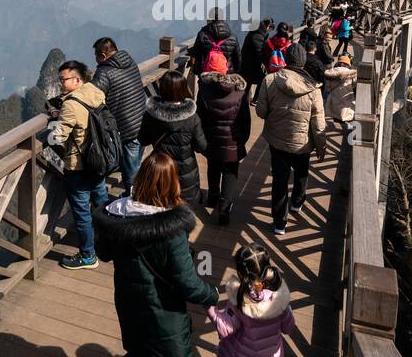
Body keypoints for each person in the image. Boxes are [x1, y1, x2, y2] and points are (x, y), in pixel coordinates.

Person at [94, 151, 218, 357]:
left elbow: (102, 252)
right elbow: (187, 283)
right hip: (163, 313)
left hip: (128, 302)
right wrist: (211, 294)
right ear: (171, 184)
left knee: (135, 354)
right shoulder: (171, 230)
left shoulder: (117, 214)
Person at [255, 44, 326, 236]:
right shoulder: (313, 88)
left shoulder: (270, 80)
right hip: (302, 143)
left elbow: (260, 111)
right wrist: (321, 146)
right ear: (303, 62)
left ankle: (280, 223)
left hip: (277, 140)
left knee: (279, 180)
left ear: (286, 60)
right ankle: (297, 203)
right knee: (302, 173)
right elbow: (318, 123)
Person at [49, 60, 107, 271]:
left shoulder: (71, 105)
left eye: (63, 79)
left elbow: (57, 137)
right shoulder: (95, 92)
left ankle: (88, 255)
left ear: (77, 79)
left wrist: (54, 119)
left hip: (79, 165)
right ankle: (108, 242)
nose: (60, 83)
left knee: (82, 212)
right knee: (101, 202)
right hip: (99, 160)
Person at [196, 53, 251, 226]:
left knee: (213, 165)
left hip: (211, 139)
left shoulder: (204, 91)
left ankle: (212, 196)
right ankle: (225, 208)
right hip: (233, 140)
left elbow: (199, 118)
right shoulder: (239, 91)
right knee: (230, 171)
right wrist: (241, 139)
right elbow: (245, 120)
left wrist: (202, 138)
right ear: (225, 68)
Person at [140, 70, 207, 203]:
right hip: (185, 171)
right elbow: (201, 146)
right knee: (183, 209)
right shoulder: (192, 117)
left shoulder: (151, 115)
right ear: (183, 89)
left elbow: (143, 139)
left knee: (160, 203)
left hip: (161, 169)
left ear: (162, 89)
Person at [91, 37, 148, 192]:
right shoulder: (129, 61)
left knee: (130, 171)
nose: (96, 61)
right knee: (136, 164)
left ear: (103, 55)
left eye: (96, 57)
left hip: (128, 128)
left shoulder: (104, 72)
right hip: (143, 121)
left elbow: (92, 96)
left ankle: (133, 203)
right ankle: (139, 195)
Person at [188, 7, 240, 77]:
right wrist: (233, 72)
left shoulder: (203, 34)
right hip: (225, 76)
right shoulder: (233, 37)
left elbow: (197, 54)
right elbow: (237, 58)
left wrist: (197, 71)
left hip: (207, 75)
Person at [239, 17, 272, 105]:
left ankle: (243, 101)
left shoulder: (253, 34)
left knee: (248, 82)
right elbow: (259, 53)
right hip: (251, 65)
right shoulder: (258, 36)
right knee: (262, 78)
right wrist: (267, 59)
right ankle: (254, 100)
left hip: (247, 63)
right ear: (266, 26)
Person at [323, 54, 357, 124]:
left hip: (334, 97)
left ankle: (337, 121)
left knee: (336, 113)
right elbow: (354, 84)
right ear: (348, 64)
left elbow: (327, 86)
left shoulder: (331, 72)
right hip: (346, 97)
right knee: (345, 113)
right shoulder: (351, 73)